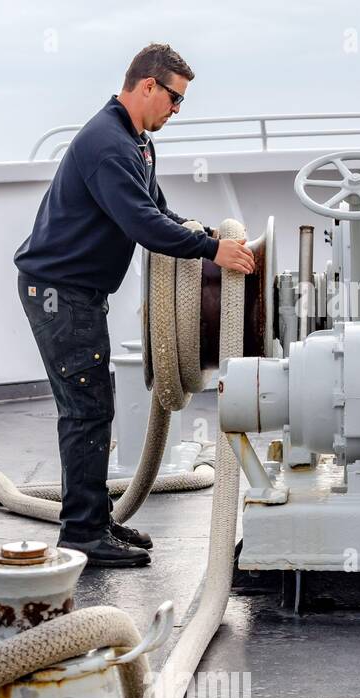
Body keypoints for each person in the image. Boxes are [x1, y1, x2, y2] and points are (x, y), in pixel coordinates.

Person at [14, 42, 255, 568]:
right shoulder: (109, 145)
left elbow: (159, 211)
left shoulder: (137, 143)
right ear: (147, 86)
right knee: (86, 410)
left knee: (91, 407)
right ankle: (81, 534)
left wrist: (211, 235)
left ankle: (96, 520)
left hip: (80, 293)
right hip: (59, 294)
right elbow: (144, 227)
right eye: (174, 99)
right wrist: (215, 250)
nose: (176, 110)